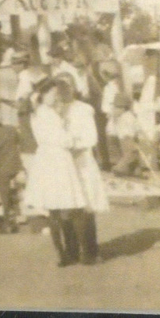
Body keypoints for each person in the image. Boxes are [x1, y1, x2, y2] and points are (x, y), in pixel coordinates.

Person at [26, 81, 86, 266]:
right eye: (52, 94)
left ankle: (64, 253)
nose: (56, 97)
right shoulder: (48, 114)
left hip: (46, 159)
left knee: (54, 209)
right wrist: (74, 138)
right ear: (43, 95)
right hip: (57, 160)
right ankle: (73, 251)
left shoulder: (38, 113)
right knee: (67, 206)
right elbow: (62, 140)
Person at [54, 74, 108, 263]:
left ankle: (90, 252)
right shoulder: (53, 111)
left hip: (81, 162)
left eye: (66, 86)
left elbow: (91, 138)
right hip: (62, 164)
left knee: (84, 207)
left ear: (74, 88)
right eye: (58, 86)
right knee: (65, 208)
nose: (62, 90)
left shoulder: (84, 109)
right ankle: (71, 251)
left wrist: (71, 145)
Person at [0, 104, 25, 233]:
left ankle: (7, 220)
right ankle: (19, 215)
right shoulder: (11, 129)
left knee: (4, 193)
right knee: (18, 191)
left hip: (3, 168)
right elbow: (20, 143)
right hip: (17, 165)